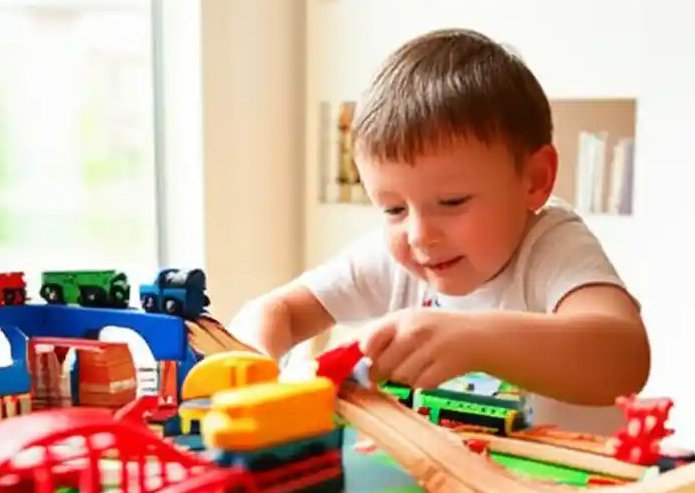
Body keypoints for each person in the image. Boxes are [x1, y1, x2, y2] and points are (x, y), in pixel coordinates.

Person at [231, 28, 649, 434]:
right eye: (393, 208)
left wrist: (474, 339)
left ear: (534, 180)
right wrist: (255, 372)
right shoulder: (397, 259)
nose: (419, 235)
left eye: (452, 203)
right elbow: (274, 311)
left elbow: (625, 357)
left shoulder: (551, 246)